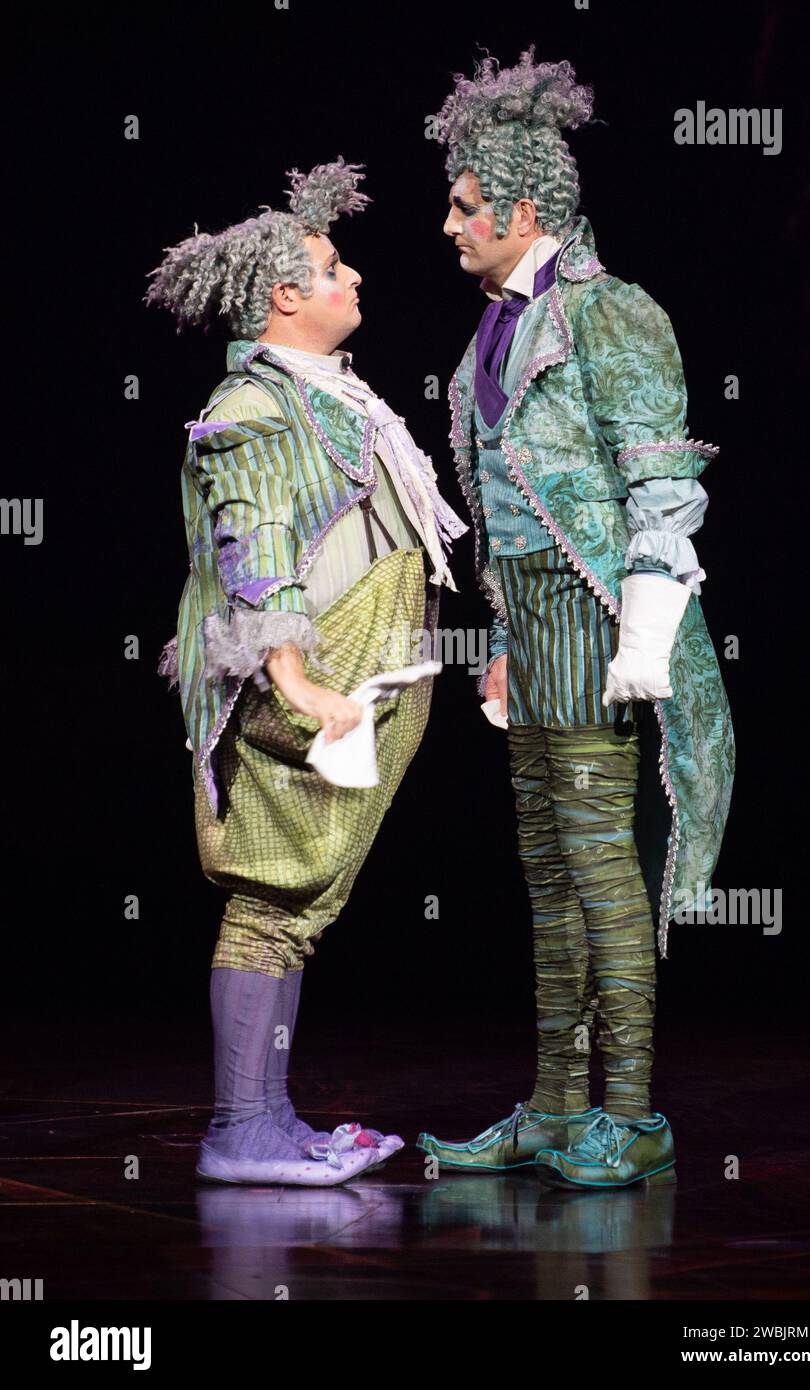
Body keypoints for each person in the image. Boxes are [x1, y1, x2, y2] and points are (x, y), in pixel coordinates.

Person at [417, 50, 735, 1188]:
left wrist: (645, 631)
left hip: (601, 620)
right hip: (536, 625)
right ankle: (554, 1110)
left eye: (463, 207)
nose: (448, 226)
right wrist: (502, 637)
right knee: (547, 870)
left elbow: (656, 486)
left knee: (604, 870)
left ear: (522, 209)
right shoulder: (485, 339)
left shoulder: (612, 313)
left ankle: (632, 1116)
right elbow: (504, 508)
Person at [146, 159, 467, 1186]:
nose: (355, 278)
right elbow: (252, 541)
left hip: (356, 668)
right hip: (314, 674)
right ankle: (243, 1127)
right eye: (334, 268)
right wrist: (292, 678)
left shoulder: (324, 394)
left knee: (299, 906)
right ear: (286, 295)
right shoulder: (252, 401)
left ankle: (264, 1120)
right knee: (274, 900)